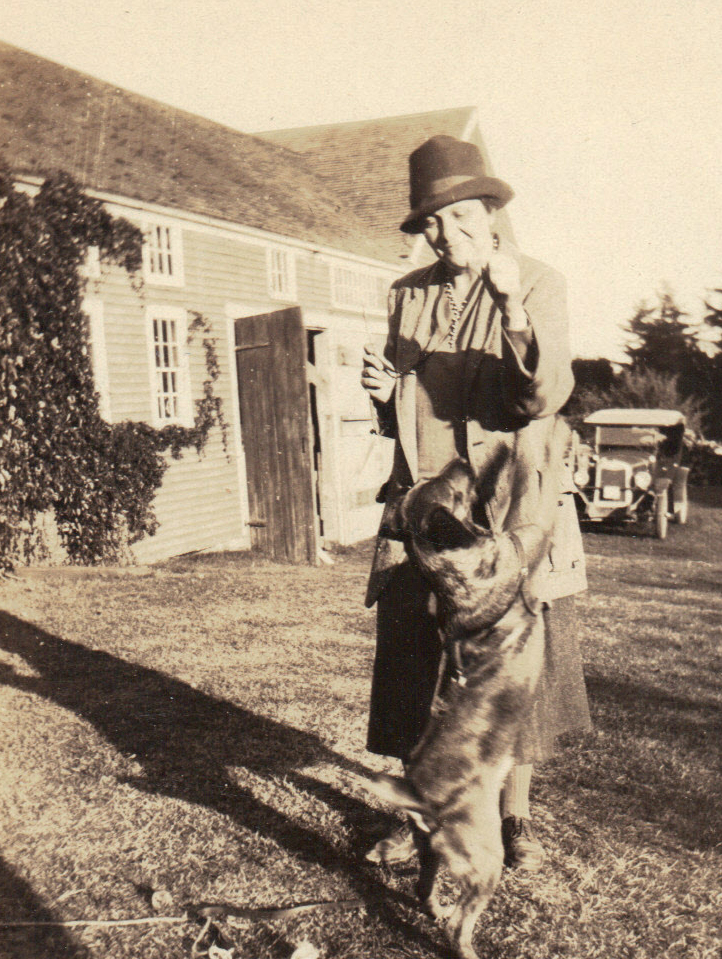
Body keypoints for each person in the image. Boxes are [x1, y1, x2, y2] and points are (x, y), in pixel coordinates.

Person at [360, 134, 591, 872]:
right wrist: (379, 395)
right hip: (426, 510)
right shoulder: (407, 294)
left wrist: (511, 312)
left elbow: (542, 396)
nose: (447, 235)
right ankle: (412, 807)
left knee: (516, 662)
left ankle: (514, 813)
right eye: (432, 223)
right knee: (409, 657)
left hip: (513, 508)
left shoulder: (537, 283)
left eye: (461, 218)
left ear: (491, 214)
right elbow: (405, 413)